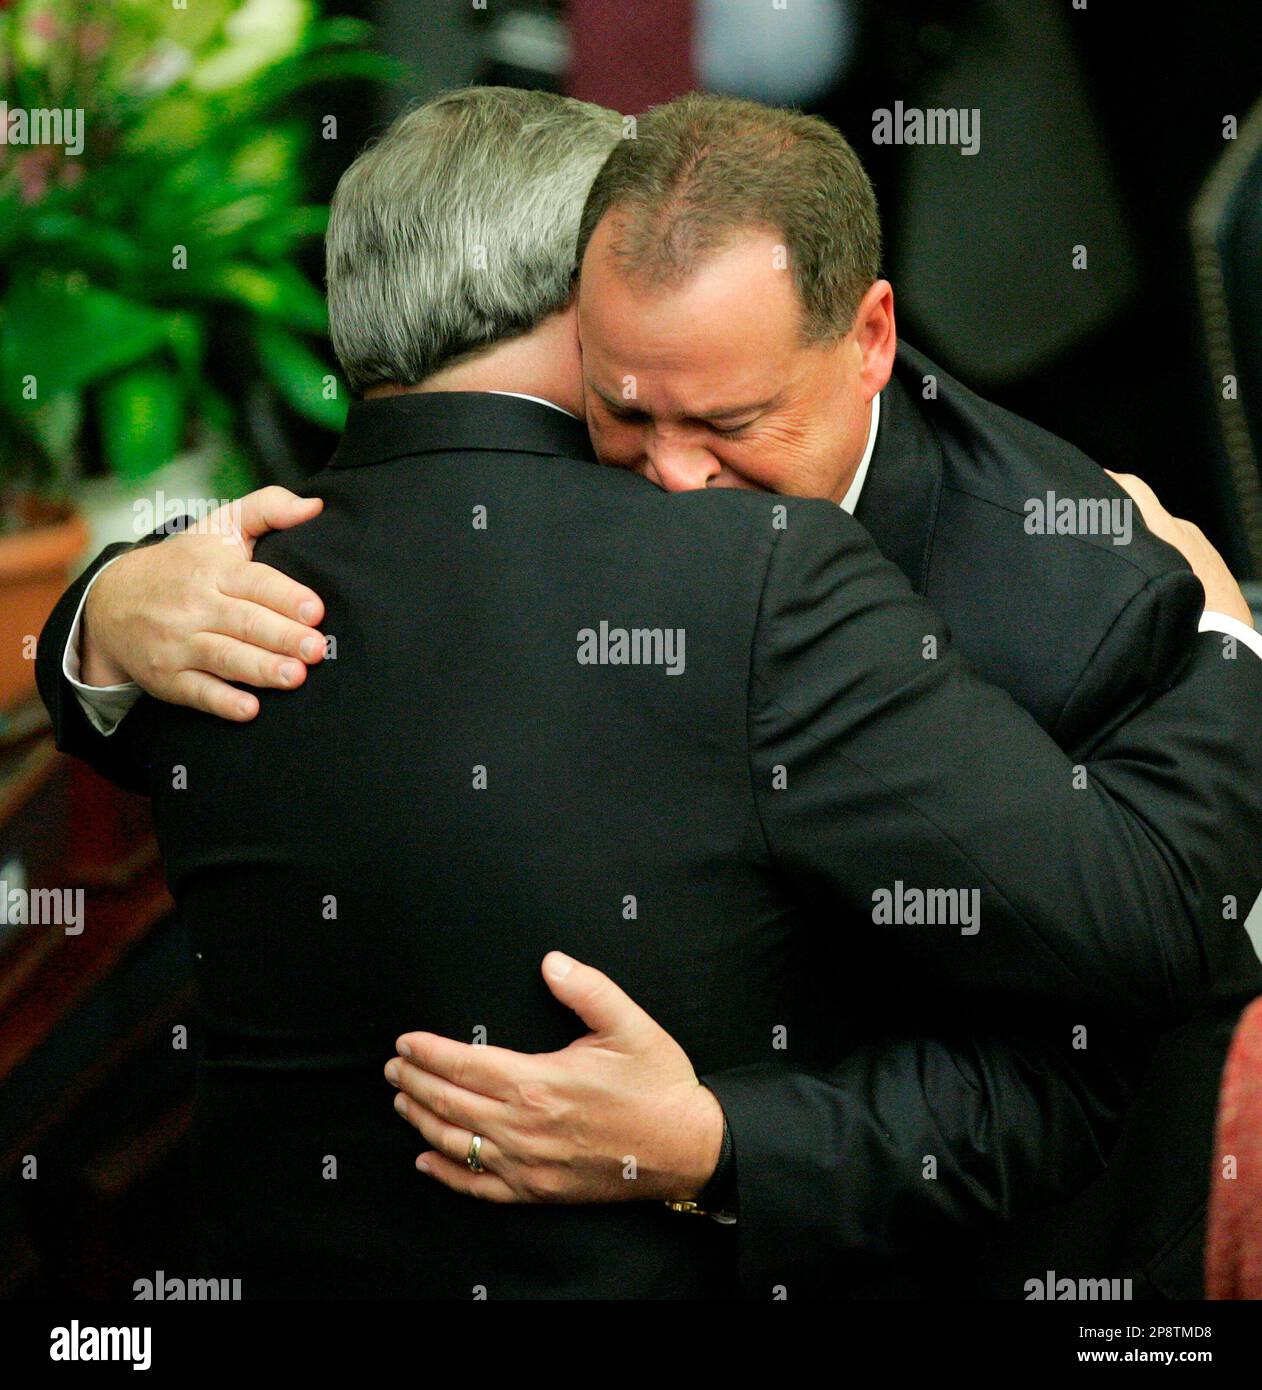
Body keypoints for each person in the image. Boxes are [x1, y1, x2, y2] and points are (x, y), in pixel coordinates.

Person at [38, 88, 1262, 1299]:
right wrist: (97, 619)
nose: (672, 478)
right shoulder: (241, 590)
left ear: (865, 341)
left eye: (729, 417)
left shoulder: (1070, 588)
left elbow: (1135, 992)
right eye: (623, 403)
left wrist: (1223, 628)